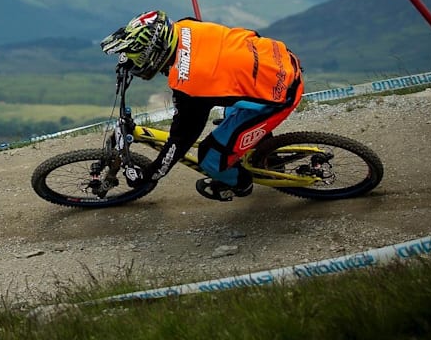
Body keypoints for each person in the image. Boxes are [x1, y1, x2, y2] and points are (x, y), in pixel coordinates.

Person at [99, 10, 304, 200]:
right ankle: (267, 153)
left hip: (281, 95)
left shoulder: (191, 87)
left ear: (154, 55)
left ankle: (240, 184)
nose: (137, 69)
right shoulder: (186, 26)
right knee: (230, 110)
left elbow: (180, 142)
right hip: (279, 59)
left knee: (209, 157)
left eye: (138, 64)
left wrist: (150, 175)